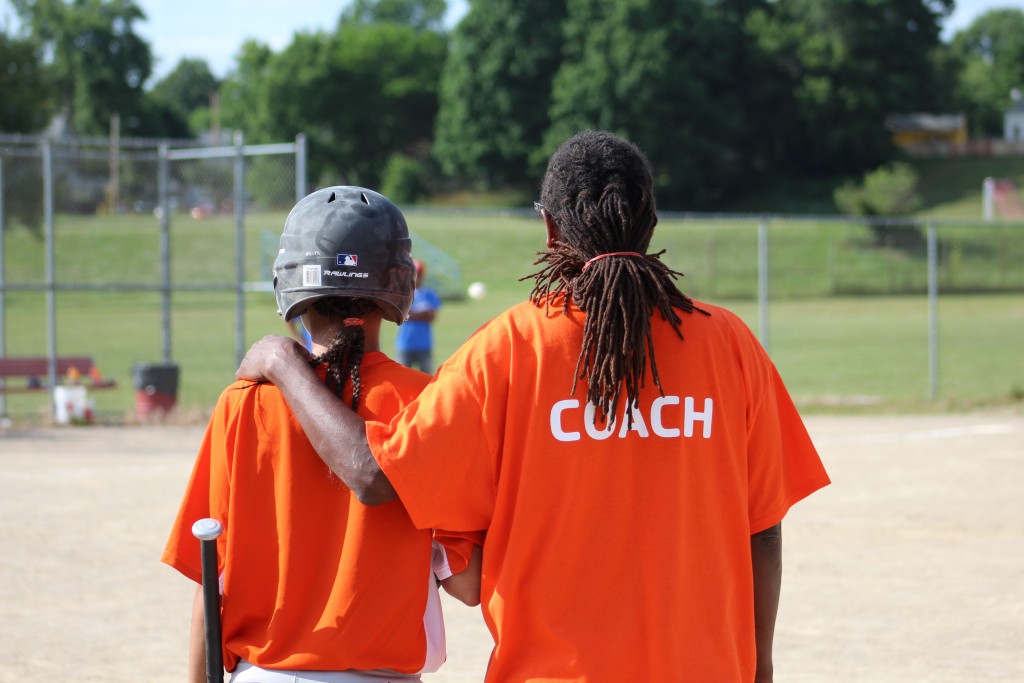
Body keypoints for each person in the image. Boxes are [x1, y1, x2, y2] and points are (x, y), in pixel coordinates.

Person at [236, 132, 831, 682]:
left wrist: (284, 363)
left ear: (548, 229)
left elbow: (375, 475)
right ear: (650, 223)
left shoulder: (508, 348)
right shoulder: (730, 343)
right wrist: (761, 665)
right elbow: (765, 533)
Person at [162, 186, 482, 683]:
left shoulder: (243, 403)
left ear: (289, 289)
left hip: (262, 674)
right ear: (399, 288)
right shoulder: (428, 402)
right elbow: (466, 583)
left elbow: (212, 578)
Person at [394, 259, 441, 373]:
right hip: (405, 344)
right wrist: (422, 313)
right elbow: (400, 316)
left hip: (424, 345)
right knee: (402, 379)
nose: (416, 278)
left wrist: (410, 313)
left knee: (427, 382)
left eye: (418, 275)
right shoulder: (402, 294)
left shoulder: (429, 294)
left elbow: (431, 317)